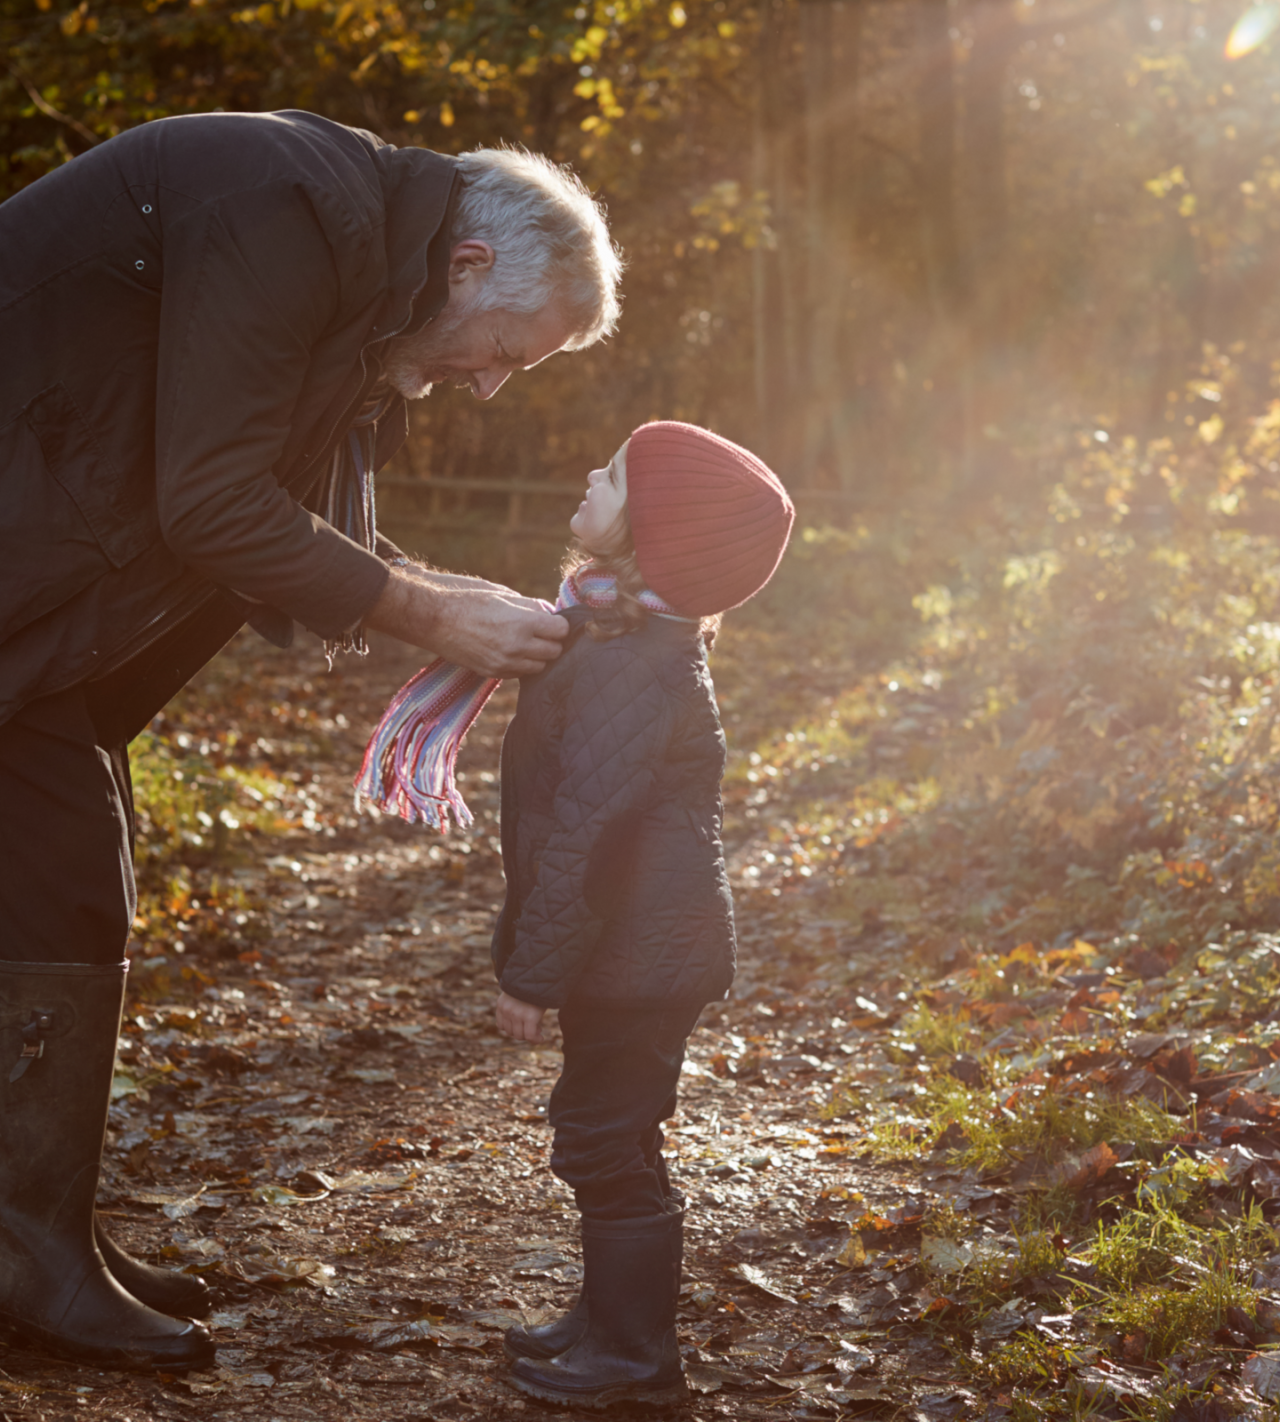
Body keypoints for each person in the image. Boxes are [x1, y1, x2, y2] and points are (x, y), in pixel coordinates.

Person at [0, 107, 620, 1371]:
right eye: (507, 351)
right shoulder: (285, 207)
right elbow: (213, 502)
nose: (489, 382)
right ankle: (28, 1255)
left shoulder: (361, 286)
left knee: (71, 883)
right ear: (468, 266)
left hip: (41, 611)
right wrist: (425, 611)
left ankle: (42, 1231)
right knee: (65, 888)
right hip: (27, 589)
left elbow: (292, 521)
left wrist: (442, 592)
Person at [490, 422, 795, 1408]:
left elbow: (585, 832)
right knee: (619, 1133)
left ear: (654, 532)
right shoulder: (623, 635)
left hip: (635, 959)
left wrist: (529, 976)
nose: (593, 474)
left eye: (616, 474)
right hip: (632, 953)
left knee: (599, 1138)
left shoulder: (632, 663)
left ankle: (633, 1357)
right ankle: (606, 1323)